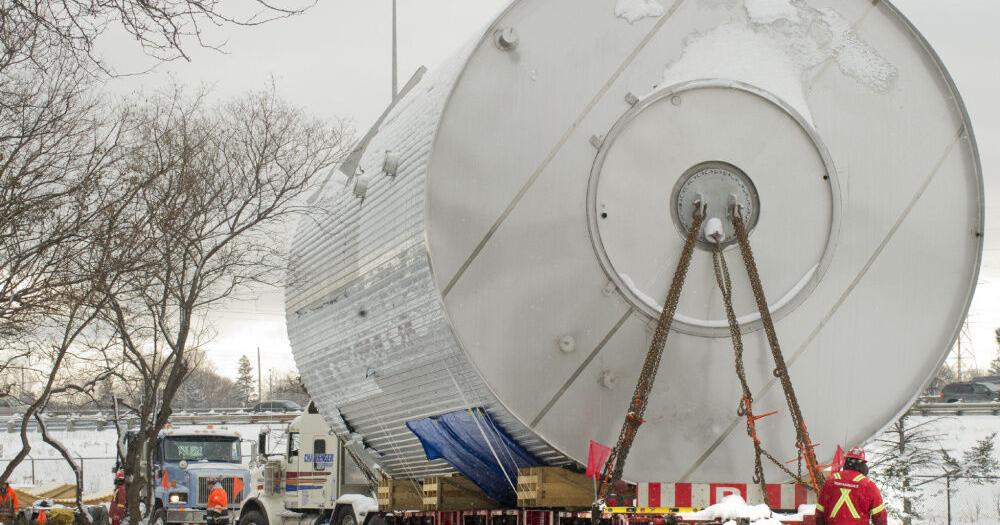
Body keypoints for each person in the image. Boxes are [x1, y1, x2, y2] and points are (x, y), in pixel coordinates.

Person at [816, 447, 887, 525]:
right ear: (862, 464)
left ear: (846, 462)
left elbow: (820, 512)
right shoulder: (868, 485)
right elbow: (880, 517)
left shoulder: (830, 481)